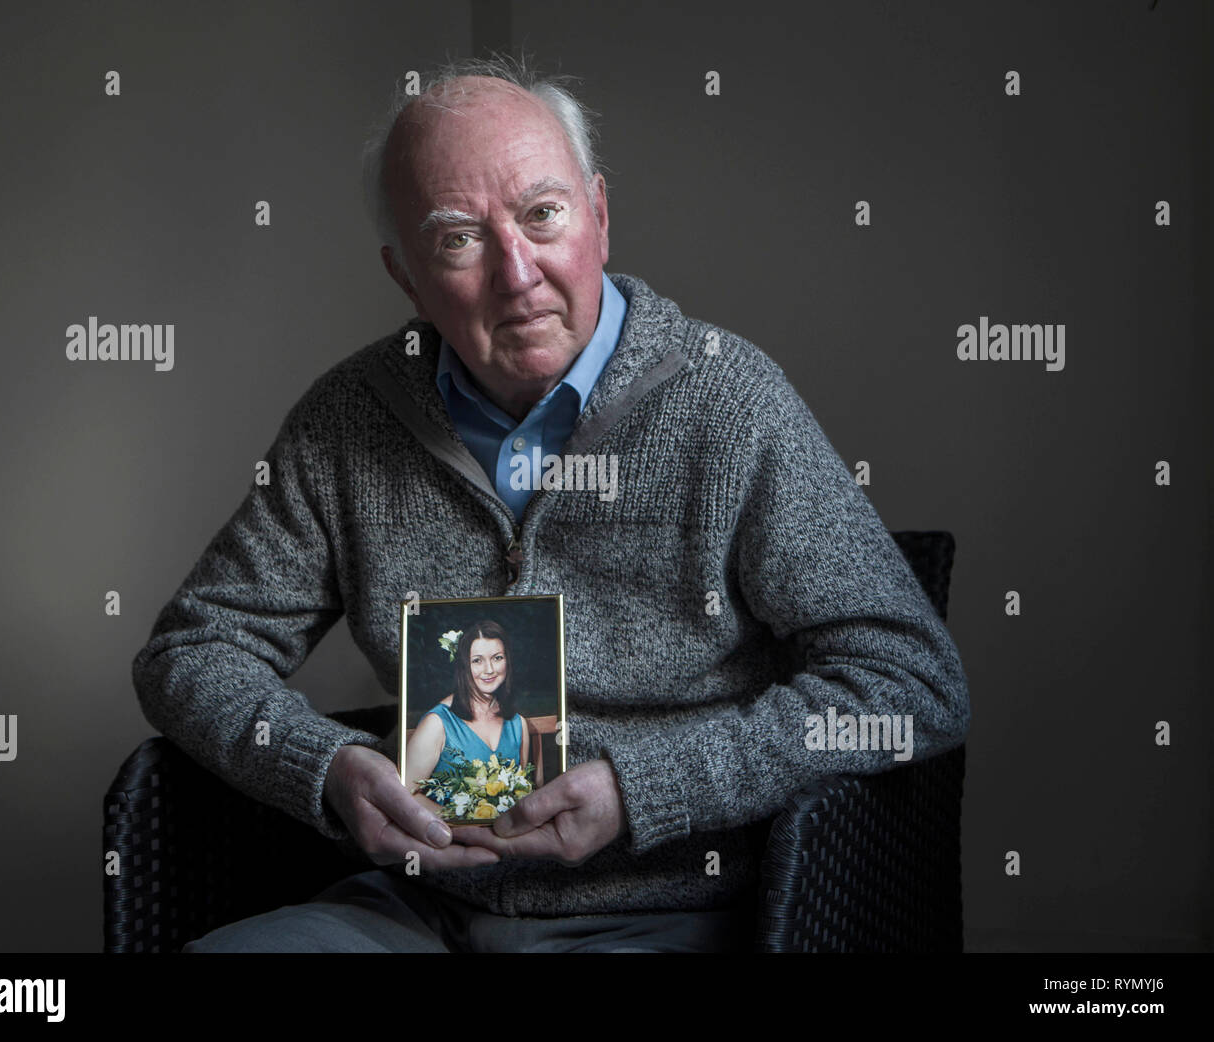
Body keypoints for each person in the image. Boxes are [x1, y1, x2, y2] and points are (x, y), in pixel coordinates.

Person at [131, 54, 970, 952]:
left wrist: (642, 788)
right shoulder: (349, 420)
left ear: (599, 218)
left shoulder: (731, 404)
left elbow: (912, 682)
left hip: (672, 911)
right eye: (458, 238)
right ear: (405, 276)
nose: (518, 273)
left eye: (542, 214)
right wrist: (326, 765)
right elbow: (191, 652)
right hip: (417, 908)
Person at [405, 621, 534, 800]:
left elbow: (524, 792)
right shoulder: (437, 723)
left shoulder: (518, 724)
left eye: (497, 658)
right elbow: (405, 796)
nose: (489, 670)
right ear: (464, 666)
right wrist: (459, 821)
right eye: (477, 661)